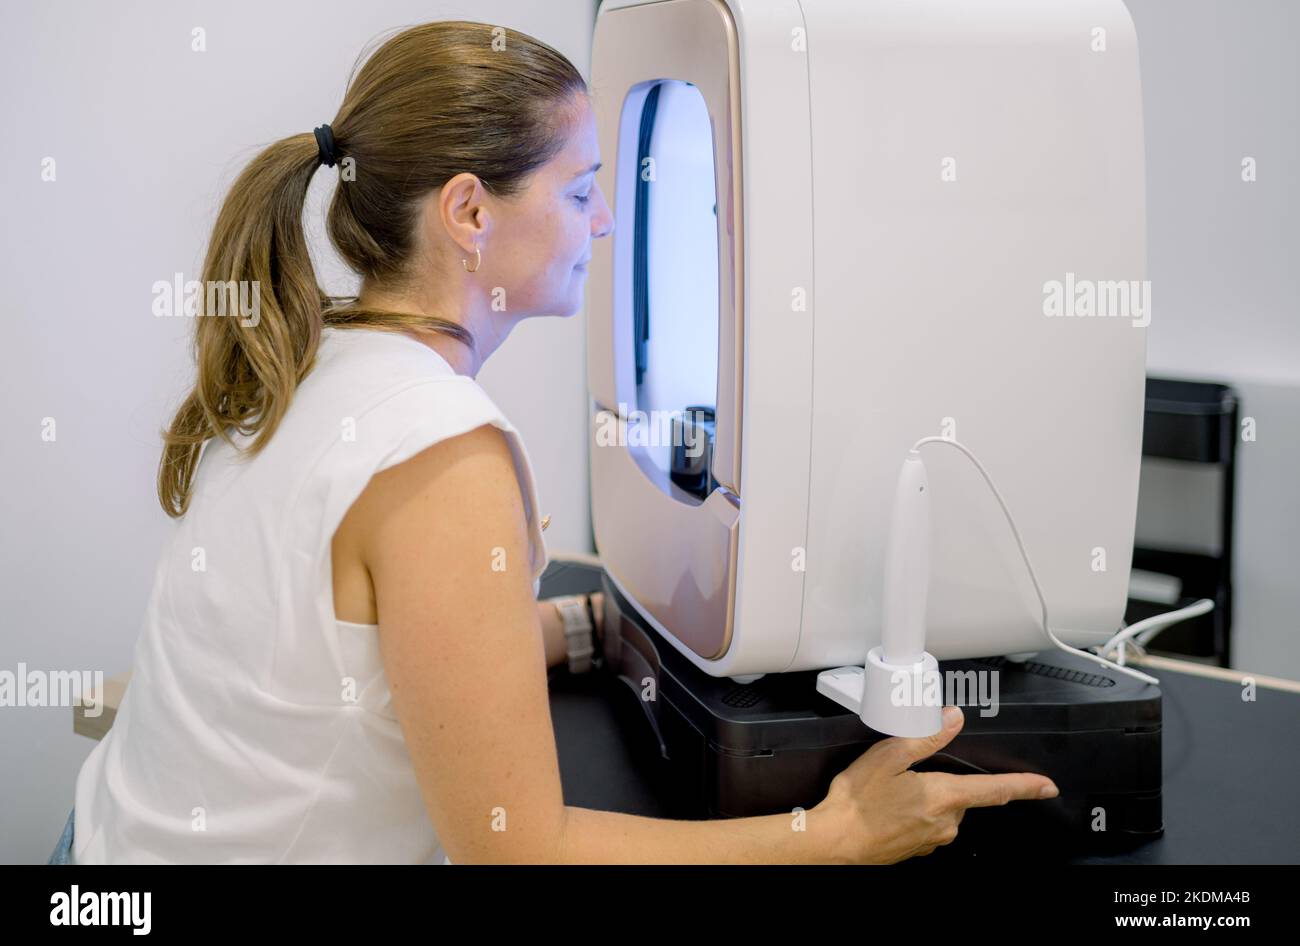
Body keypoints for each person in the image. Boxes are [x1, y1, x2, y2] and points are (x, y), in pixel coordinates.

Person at [62, 20, 1057, 865]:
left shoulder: (312, 358)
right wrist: (831, 829)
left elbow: (337, 665)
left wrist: (578, 629)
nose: (608, 223)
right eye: (581, 192)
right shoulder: (437, 450)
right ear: (468, 211)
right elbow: (518, 849)